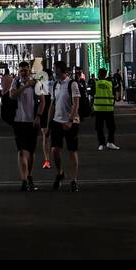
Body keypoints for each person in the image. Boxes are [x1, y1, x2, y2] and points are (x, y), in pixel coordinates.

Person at [48, 63, 82, 192]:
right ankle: (60, 173)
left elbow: (76, 103)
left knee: (72, 151)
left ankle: (74, 180)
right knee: (55, 150)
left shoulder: (71, 84)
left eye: (55, 70)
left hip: (71, 122)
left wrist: (70, 120)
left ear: (60, 71)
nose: (53, 72)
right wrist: (48, 123)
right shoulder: (55, 85)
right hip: (57, 121)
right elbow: (53, 104)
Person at [8, 60, 41, 191]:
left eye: (26, 70)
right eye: (21, 70)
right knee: (22, 151)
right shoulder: (15, 82)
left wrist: (38, 116)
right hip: (18, 121)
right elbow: (12, 95)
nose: (24, 73)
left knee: (31, 152)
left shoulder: (37, 83)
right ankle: (24, 179)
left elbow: (43, 101)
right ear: (18, 71)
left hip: (32, 121)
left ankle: (29, 175)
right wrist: (26, 86)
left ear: (29, 70)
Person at [93, 67, 118, 150]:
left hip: (98, 109)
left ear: (99, 74)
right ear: (105, 74)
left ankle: (101, 144)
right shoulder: (110, 84)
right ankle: (110, 142)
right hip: (109, 109)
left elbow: (91, 94)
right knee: (111, 127)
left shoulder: (95, 83)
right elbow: (114, 95)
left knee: (99, 127)